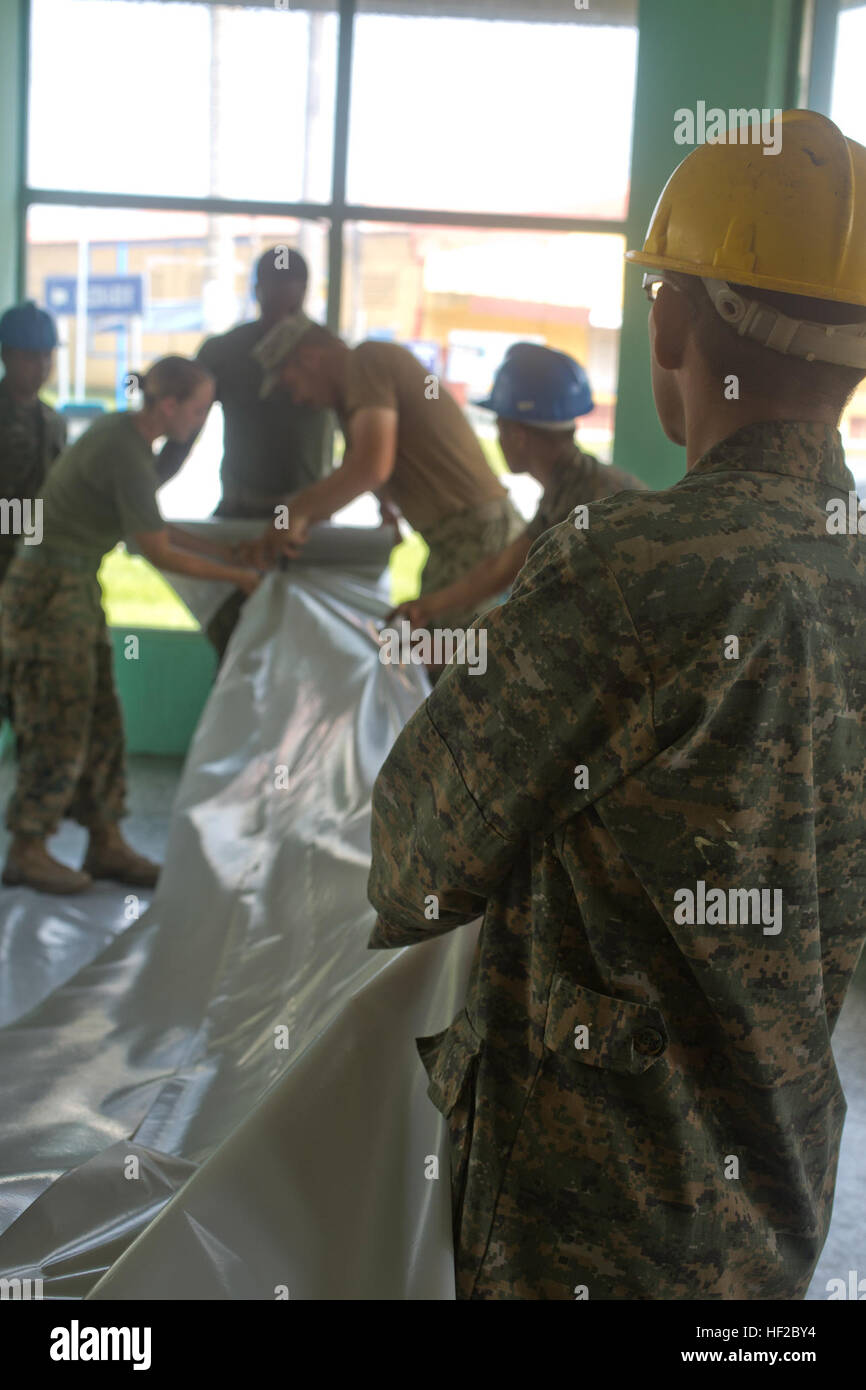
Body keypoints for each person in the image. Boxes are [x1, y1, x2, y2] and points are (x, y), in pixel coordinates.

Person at [366, 108, 866, 1299]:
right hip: (779, 1167)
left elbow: (415, 860)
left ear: (671, 316)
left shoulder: (629, 564)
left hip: (596, 1197)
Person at [1, 357, 264, 897]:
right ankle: (27, 848)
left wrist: (223, 552)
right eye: (197, 407)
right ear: (168, 406)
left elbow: (153, 525)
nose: (201, 417)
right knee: (57, 716)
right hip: (49, 594)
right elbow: (154, 550)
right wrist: (238, 576)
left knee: (100, 715)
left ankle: (106, 842)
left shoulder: (128, 438)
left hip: (71, 589)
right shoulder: (124, 447)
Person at [250, 316, 525, 650]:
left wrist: (296, 512)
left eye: (290, 384)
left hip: (478, 538)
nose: (297, 398)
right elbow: (379, 461)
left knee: (454, 670)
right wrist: (387, 509)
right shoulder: (351, 397)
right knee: (433, 658)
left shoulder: (366, 361)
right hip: (462, 538)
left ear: (309, 358)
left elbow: (370, 466)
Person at [389, 342, 647, 629]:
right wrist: (427, 606)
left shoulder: (585, 500)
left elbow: (545, 626)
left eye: (499, 426)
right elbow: (503, 568)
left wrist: (448, 649)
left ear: (517, 436)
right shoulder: (575, 486)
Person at [156, 247, 331, 661]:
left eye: (290, 305)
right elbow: (182, 435)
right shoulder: (226, 353)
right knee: (236, 647)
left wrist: (387, 507)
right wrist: (142, 487)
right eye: (271, 302)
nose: (279, 321)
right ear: (255, 293)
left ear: (305, 295)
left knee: (303, 653)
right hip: (241, 518)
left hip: (304, 527)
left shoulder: (327, 354)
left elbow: (365, 443)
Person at [0, 301, 66, 585]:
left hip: (36, 557)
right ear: (6, 355)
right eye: (30, 357)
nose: (41, 367)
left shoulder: (53, 422)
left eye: (46, 357)